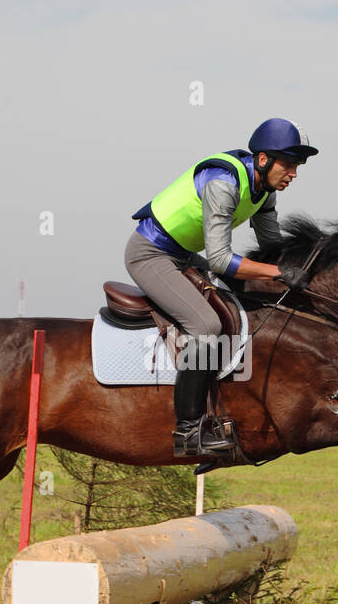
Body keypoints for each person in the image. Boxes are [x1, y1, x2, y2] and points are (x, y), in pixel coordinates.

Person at [128, 118, 318, 456]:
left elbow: (273, 248)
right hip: (150, 255)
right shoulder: (223, 182)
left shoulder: (264, 193)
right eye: (288, 164)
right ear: (263, 159)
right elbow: (219, 260)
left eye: (297, 166)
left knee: (253, 295)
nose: (294, 174)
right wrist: (278, 272)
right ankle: (188, 430)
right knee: (206, 324)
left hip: (183, 257)